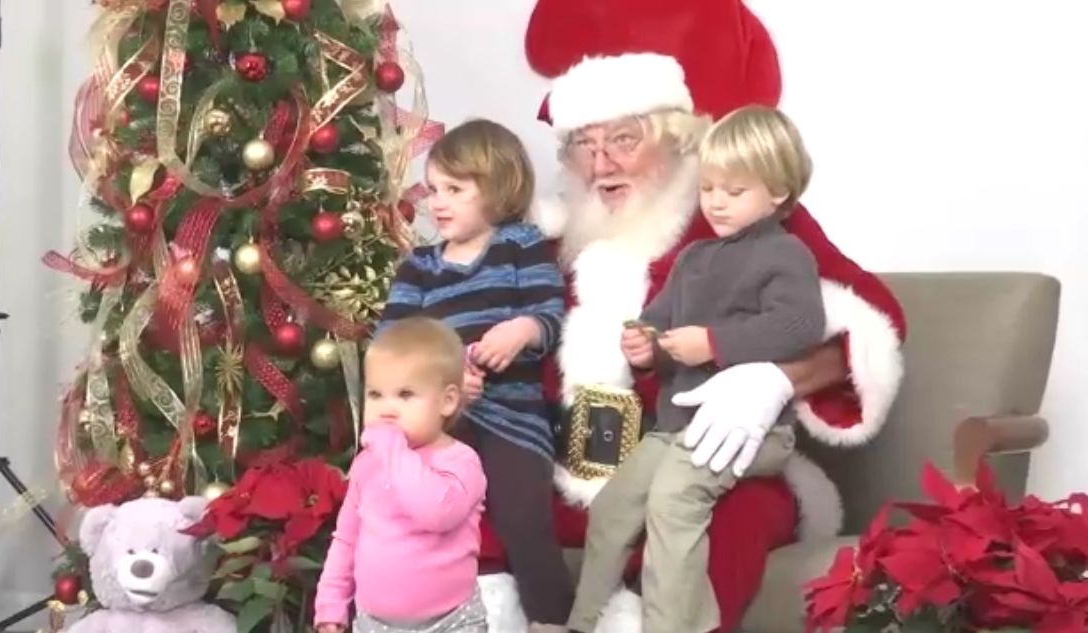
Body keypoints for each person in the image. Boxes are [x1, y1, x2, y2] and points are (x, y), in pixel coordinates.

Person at [473, 2, 908, 632]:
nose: (601, 166)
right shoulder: (555, 243)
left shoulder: (737, 220)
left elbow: (873, 318)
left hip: (716, 459)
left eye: (624, 139)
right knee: (460, 492)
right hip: (575, 477)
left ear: (679, 135)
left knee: (704, 521)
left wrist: (780, 380)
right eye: (584, 146)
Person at [568, 105, 826, 633]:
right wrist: (646, 344)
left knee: (673, 501)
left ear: (777, 192)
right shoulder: (695, 259)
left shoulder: (786, 254)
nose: (717, 203)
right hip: (677, 426)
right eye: (709, 189)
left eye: (735, 191)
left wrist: (713, 343)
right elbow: (660, 323)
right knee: (614, 506)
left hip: (747, 432)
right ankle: (582, 622)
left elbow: (800, 325)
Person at [379, 119, 575, 632]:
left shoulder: (520, 246)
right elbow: (393, 347)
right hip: (438, 419)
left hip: (514, 417)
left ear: (496, 188)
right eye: (434, 189)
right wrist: (443, 378)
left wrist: (523, 328)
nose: (437, 203)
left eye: (455, 190)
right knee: (405, 500)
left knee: (522, 515)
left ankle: (551, 620)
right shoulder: (419, 267)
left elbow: (551, 318)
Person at [314, 317, 489, 633]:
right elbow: (346, 538)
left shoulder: (461, 461)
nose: (386, 409)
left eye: (405, 394)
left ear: (447, 401)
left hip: (451, 623)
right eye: (376, 395)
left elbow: (436, 513)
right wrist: (331, 605)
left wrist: (393, 449)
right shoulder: (368, 464)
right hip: (376, 623)